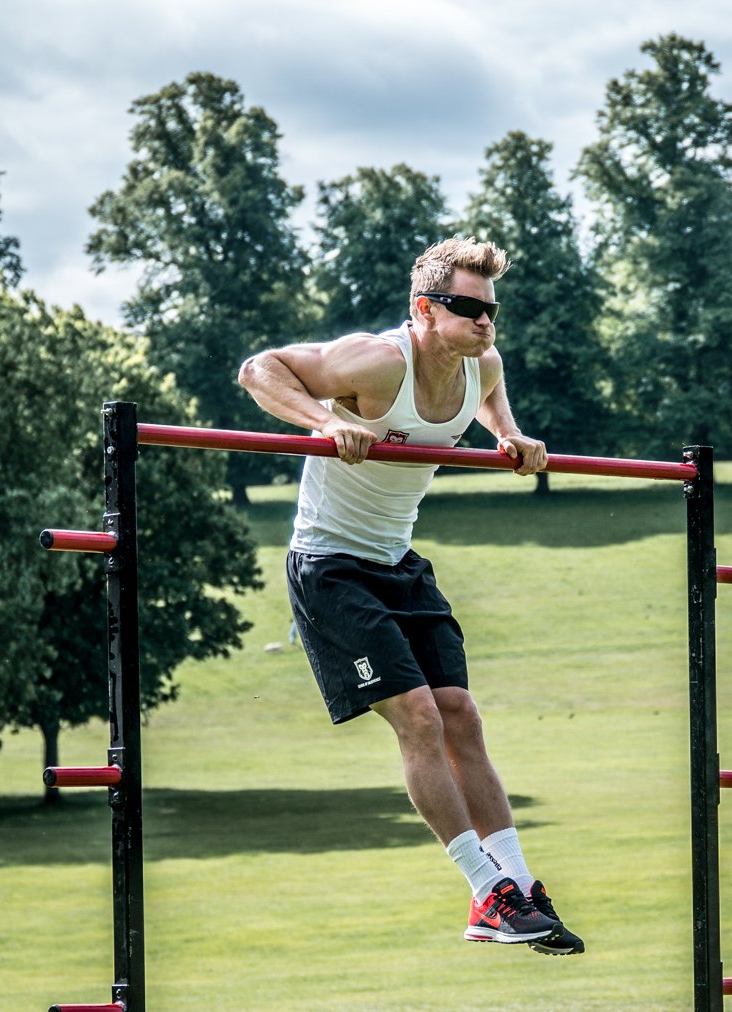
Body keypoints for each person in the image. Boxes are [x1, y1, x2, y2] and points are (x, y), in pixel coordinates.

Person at [238, 237, 583, 956]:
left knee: (461, 715)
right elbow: (258, 369)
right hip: (331, 567)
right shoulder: (375, 362)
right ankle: (485, 893)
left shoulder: (483, 362)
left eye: (491, 310)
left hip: (399, 563)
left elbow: (488, 395)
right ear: (424, 309)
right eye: (467, 307)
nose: (484, 321)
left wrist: (510, 434)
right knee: (421, 718)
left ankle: (519, 887)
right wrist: (328, 421)